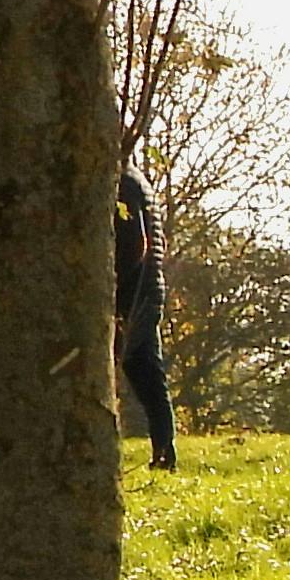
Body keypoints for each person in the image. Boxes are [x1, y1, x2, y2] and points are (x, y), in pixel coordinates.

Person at [113, 162, 178, 471]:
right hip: (148, 288)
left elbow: (135, 243)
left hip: (132, 293)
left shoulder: (123, 182)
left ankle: (162, 453)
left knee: (117, 370)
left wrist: (113, 284)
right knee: (149, 376)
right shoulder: (137, 178)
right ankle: (164, 453)